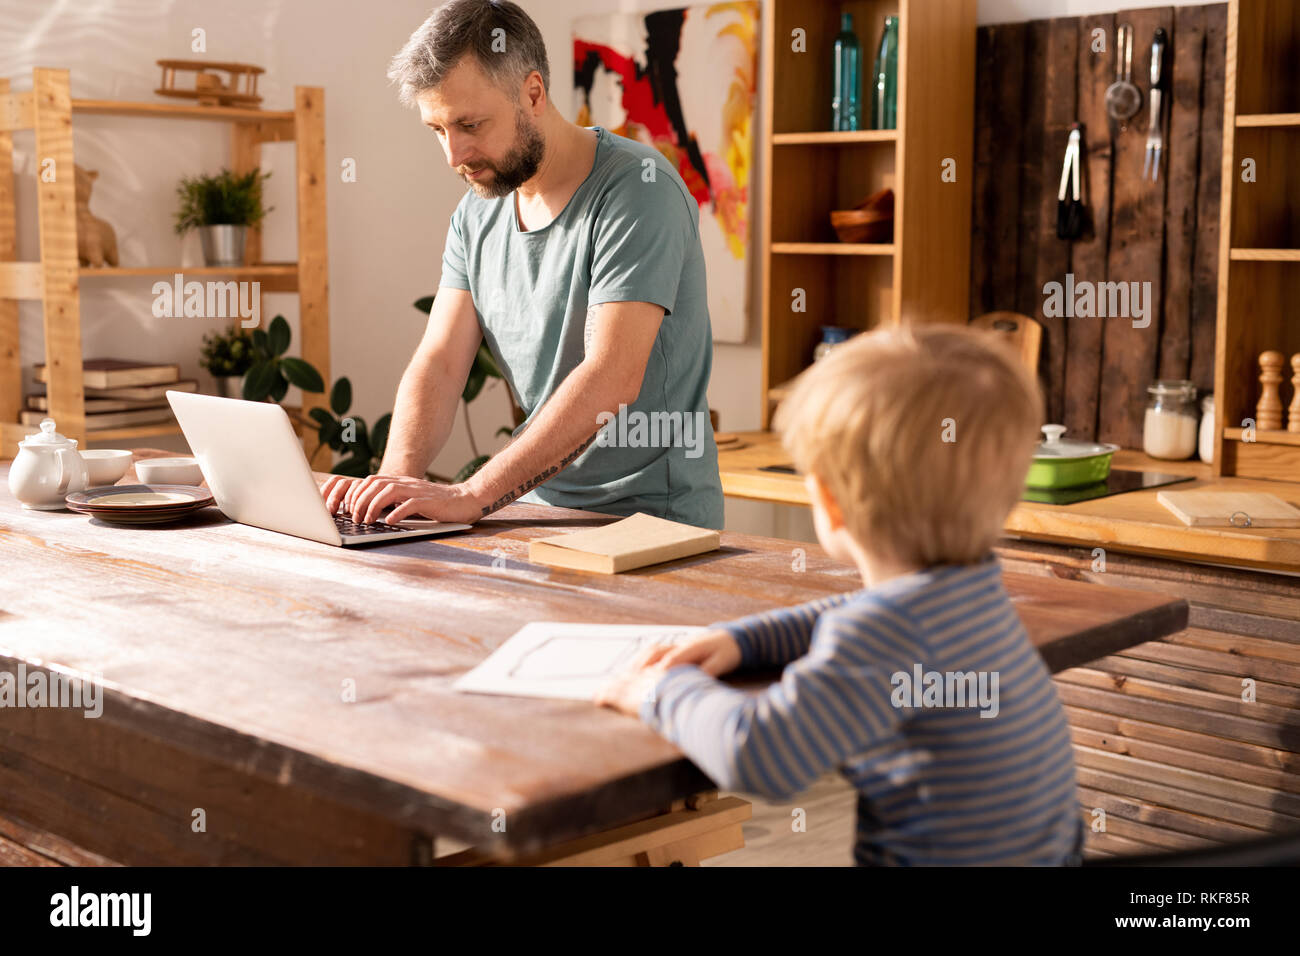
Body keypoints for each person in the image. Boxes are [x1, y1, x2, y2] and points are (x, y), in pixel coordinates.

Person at [597, 324, 1085, 866]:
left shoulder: (888, 630)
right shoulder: (974, 591)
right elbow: (856, 612)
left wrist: (659, 691)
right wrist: (741, 641)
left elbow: (760, 753)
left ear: (830, 504)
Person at [321, 0, 723, 529]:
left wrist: (472, 493)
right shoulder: (476, 214)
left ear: (532, 93)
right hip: (533, 512)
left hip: (653, 523)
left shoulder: (637, 191)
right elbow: (441, 362)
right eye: (437, 130)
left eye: (470, 124)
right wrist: (393, 486)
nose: (453, 154)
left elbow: (611, 378)